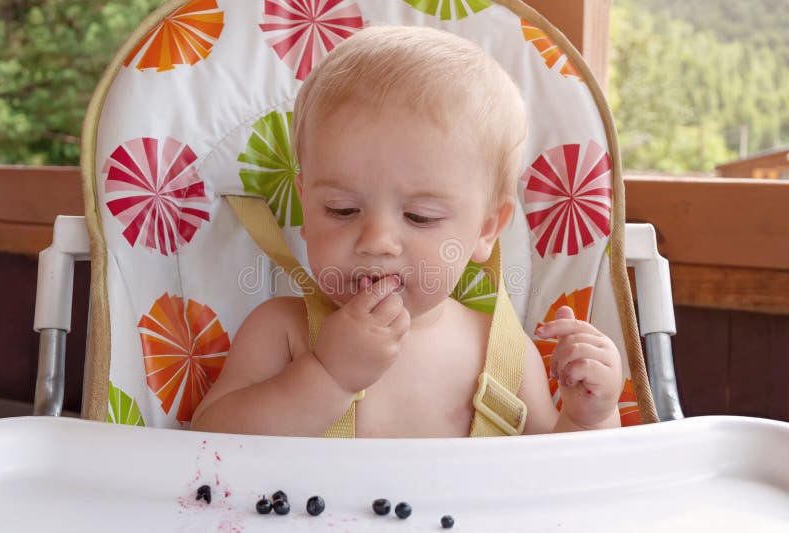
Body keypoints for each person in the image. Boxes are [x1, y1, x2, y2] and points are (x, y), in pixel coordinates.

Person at [191, 26, 623, 437]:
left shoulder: (504, 354)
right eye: (341, 210)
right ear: (305, 207)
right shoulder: (283, 332)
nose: (376, 241)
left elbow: (553, 484)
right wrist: (326, 376)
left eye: (420, 216)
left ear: (486, 229)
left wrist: (587, 419)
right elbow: (209, 441)